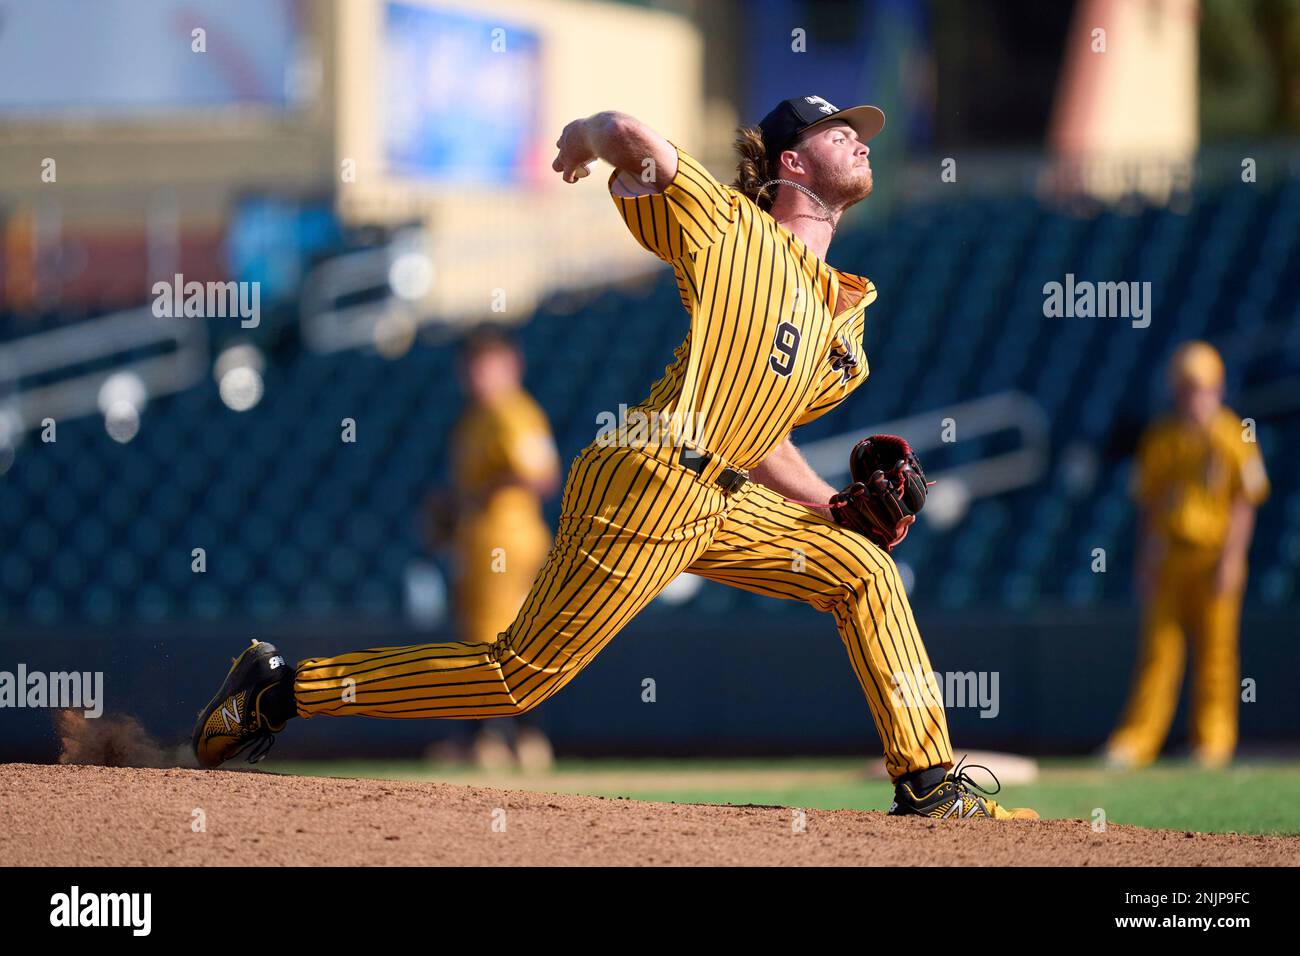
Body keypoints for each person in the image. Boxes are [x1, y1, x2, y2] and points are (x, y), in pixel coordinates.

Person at [194, 95, 1038, 820]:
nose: (860, 137)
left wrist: (827, 507)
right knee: (517, 679)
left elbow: (765, 432)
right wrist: (583, 136)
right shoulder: (733, 226)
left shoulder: (844, 322)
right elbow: (631, 133)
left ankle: (930, 780)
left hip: (723, 492)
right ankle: (278, 690)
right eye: (838, 130)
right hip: (652, 474)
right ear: (793, 161)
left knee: (864, 571)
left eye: (862, 131)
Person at [1103, 341, 1269, 770]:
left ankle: (1213, 743)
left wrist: (1232, 560)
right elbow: (1150, 504)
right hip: (1171, 557)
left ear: (1217, 388)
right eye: (1185, 388)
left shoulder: (1234, 434)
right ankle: (1137, 741)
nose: (1192, 397)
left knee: (1217, 655)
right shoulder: (1162, 437)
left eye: (1200, 388)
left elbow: (1244, 502)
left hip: (1214, 558)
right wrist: (1146, 560)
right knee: (1159, 653)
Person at [422, 327, 561, 771]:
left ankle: (494, 738)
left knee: (492, 643)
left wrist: (479, 494)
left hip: (509, 544)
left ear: (512, 366)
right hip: (482, 544)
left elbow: (541, 474)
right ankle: (514, 738)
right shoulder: (474, 418)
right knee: (488, 639)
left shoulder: (513, 413)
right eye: (473, 366)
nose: (479, 375)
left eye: (489, 364)